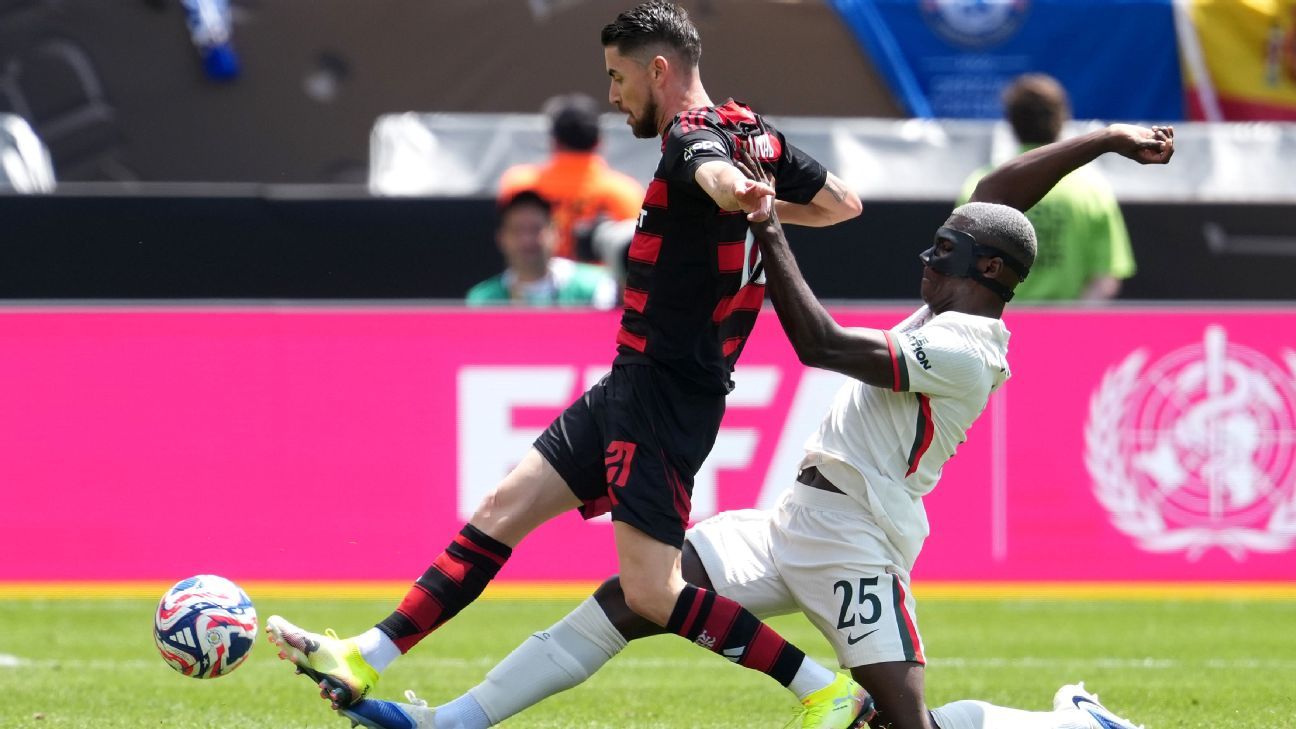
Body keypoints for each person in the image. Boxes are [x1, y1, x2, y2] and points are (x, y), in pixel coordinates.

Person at [337, 124, 1175, 729]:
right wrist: (1100, 140)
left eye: (945, 246)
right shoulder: (956, 293)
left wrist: (767, 224)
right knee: (631, 600)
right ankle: (449, 722)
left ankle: (1069, 721)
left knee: (902, 725)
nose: (926, 254)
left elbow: (819, 343)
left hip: (858, 540)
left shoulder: (968, 348)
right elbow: (999, 198)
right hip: (791, 520)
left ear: (988, 271)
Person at [266, 2, 868, 728]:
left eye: (618, 78)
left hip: (668, 394)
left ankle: (822, 687)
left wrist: (735, 195)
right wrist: (757, 202)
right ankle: (366, 653)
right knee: (500, 511)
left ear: (659, 71)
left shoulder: (689, 137)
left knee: (651, 591)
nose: (612, 98)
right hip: (632, 379)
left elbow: (708, 169)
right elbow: (844, 205)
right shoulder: (758, 136)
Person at [959, 74, 1136, 302]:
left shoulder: (982, 185)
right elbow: (1105, 280)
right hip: (1067, 332)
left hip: (995, 331)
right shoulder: (1092, 189)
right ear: (1062, 119)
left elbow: (960, 271)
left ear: (1011, 122)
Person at [497, 92, 645, 262]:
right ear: (599, 142)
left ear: (554, 141)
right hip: (604, 285)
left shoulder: (519, 185)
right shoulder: (627, 193)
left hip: (536, 286)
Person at [465, 190, 619, 309]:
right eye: (517, 230)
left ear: (556, 233)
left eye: (536, 229)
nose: (527, 240)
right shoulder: (483, 298)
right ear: (501, 238)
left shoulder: (594, 285)